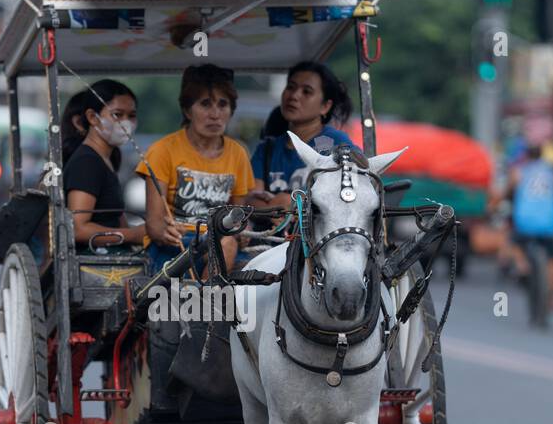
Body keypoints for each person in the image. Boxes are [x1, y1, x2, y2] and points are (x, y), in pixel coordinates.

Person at [138, 63, 257, 275]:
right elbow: (154, 226)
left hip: (220, 244)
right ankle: (207, 305)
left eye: (223, 104)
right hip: (174, 247)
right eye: (205, 104)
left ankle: (205, 299)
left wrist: (242, 232)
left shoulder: (238, 153)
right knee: (226, 243)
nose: (215, 114)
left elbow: (238, 216)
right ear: (187, 110)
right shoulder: (162, 151)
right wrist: (166, 232)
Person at [250, 61, 356, 211]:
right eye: (291, 87)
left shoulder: (337, 144)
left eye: (307, 91)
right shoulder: (267, 148)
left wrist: (294, 203)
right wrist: (276, 207)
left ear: (325, 106)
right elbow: (251, 200)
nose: (294, 95)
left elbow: (353, 195)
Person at [59, 80, 143, 247]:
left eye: (131, 116)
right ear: (92, 117)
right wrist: (133, 234)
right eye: (117, 115)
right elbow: (78, 229)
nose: (126, 123)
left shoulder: (105, 159)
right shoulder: (87, 163)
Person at [501, 144, 553, 311]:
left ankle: (523, 266)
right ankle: (551, 298)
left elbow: (507, 192)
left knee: (512, 242)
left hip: (525, 222)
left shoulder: (518, 172)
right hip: (550, 223)